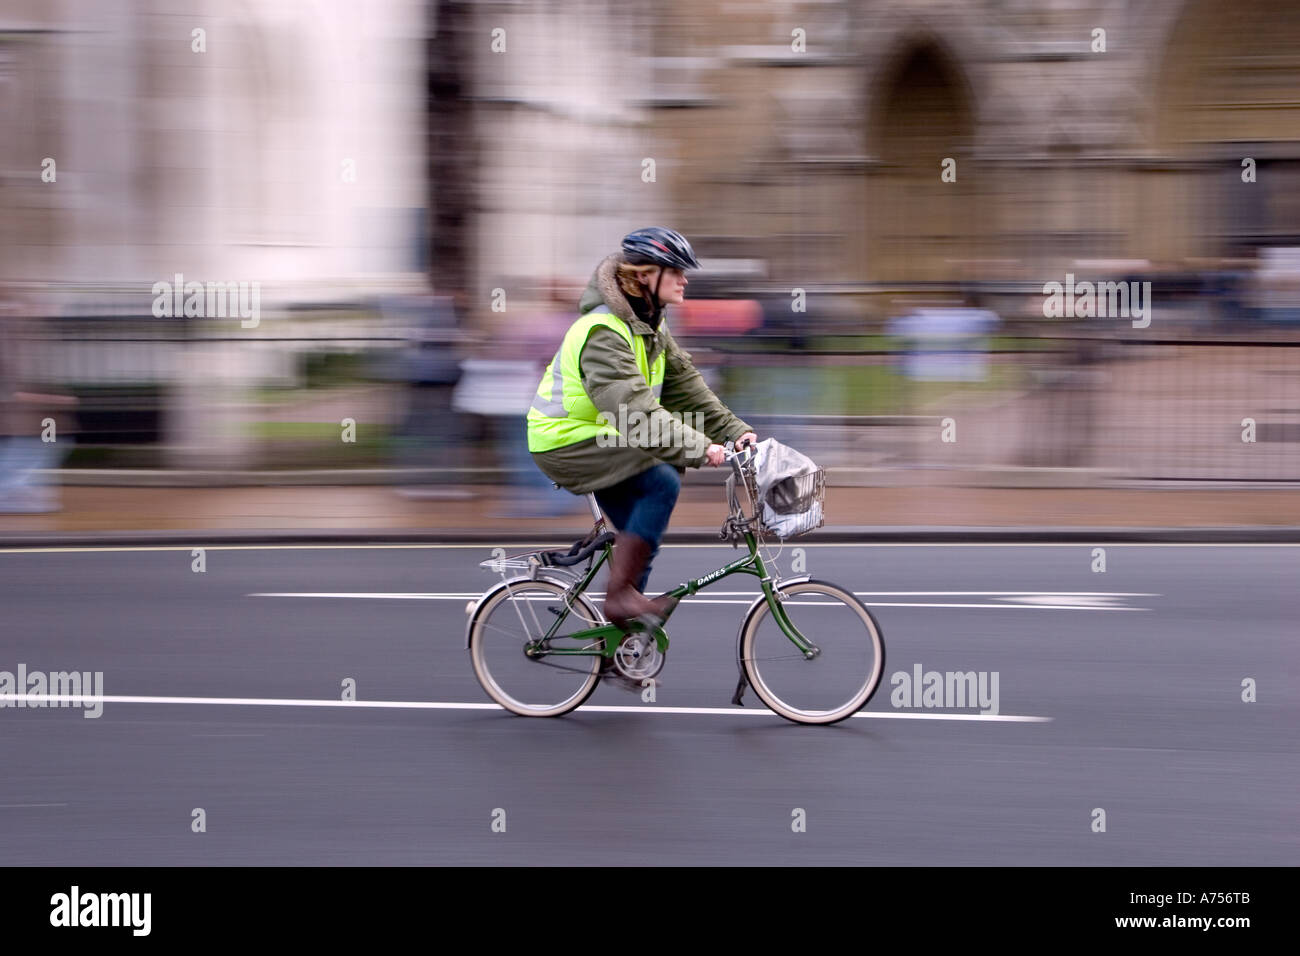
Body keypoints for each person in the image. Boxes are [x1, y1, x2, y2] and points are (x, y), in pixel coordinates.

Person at [527, 227, 757, 633]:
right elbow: (636, 414)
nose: (685, 280)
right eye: (677, 271)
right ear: (645, 276)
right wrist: (702, 448)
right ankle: (619, 600)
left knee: (642, 540)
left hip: (605, 440)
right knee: (662, 478)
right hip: (562, 442)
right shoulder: (602, 332)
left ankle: (623, 639)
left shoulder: (651, 327)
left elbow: (689, 390)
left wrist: (735, 432)